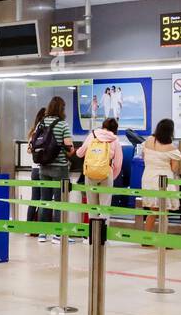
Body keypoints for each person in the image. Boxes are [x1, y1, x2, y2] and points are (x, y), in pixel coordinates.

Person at [30, 95, 73, 244]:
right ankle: (57, 235)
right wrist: (70, 151)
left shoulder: (41, 123)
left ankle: (43, 234)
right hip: (59, 168)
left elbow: (34, 143)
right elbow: (69, 147)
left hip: (43, 167)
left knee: (45, 201)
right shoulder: (62, 124)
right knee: (60, 202)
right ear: (62, 109)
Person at [139, 118, 181, 233]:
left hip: (148, 178)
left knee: (152, 212)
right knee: (164, 213)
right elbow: (174, 168)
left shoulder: (149, 141)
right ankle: (163, 240)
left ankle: (146, 238)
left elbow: (143, 157)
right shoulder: (172, 148)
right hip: (163, 181)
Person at [77, 116, 123, 217]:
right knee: (105, 208)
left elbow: (80, 154)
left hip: (90, 173)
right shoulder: (115, 140)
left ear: (103, 126)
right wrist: (111, 175)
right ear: (115, 129)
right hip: (106, 173)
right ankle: (103, 231)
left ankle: (93, 232)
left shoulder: (92, 135)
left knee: (92, 207)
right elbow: (118, 164)